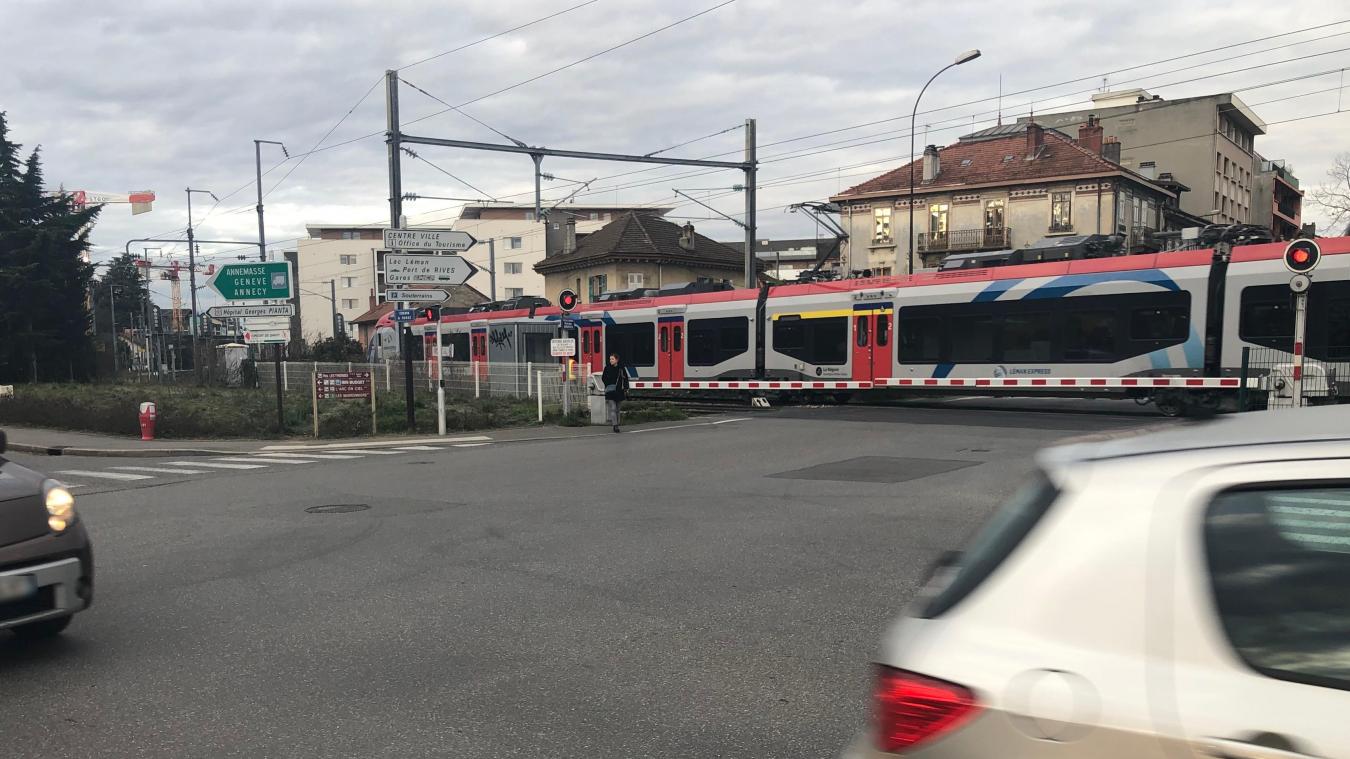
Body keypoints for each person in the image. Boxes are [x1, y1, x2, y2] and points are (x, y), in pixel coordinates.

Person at [601, 353, 628, 433]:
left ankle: (617, 423)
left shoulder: (621, 368)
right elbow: (603, 378)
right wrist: (608, 384)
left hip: (619, 391)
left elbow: (625, 378)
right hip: (610, 391)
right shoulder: (607, 368)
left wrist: (626, 388)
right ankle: (615, 426)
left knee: (617, 409)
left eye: (612, 359)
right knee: (613, 408)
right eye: (610, 359)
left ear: (617, 360)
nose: (611, 360)